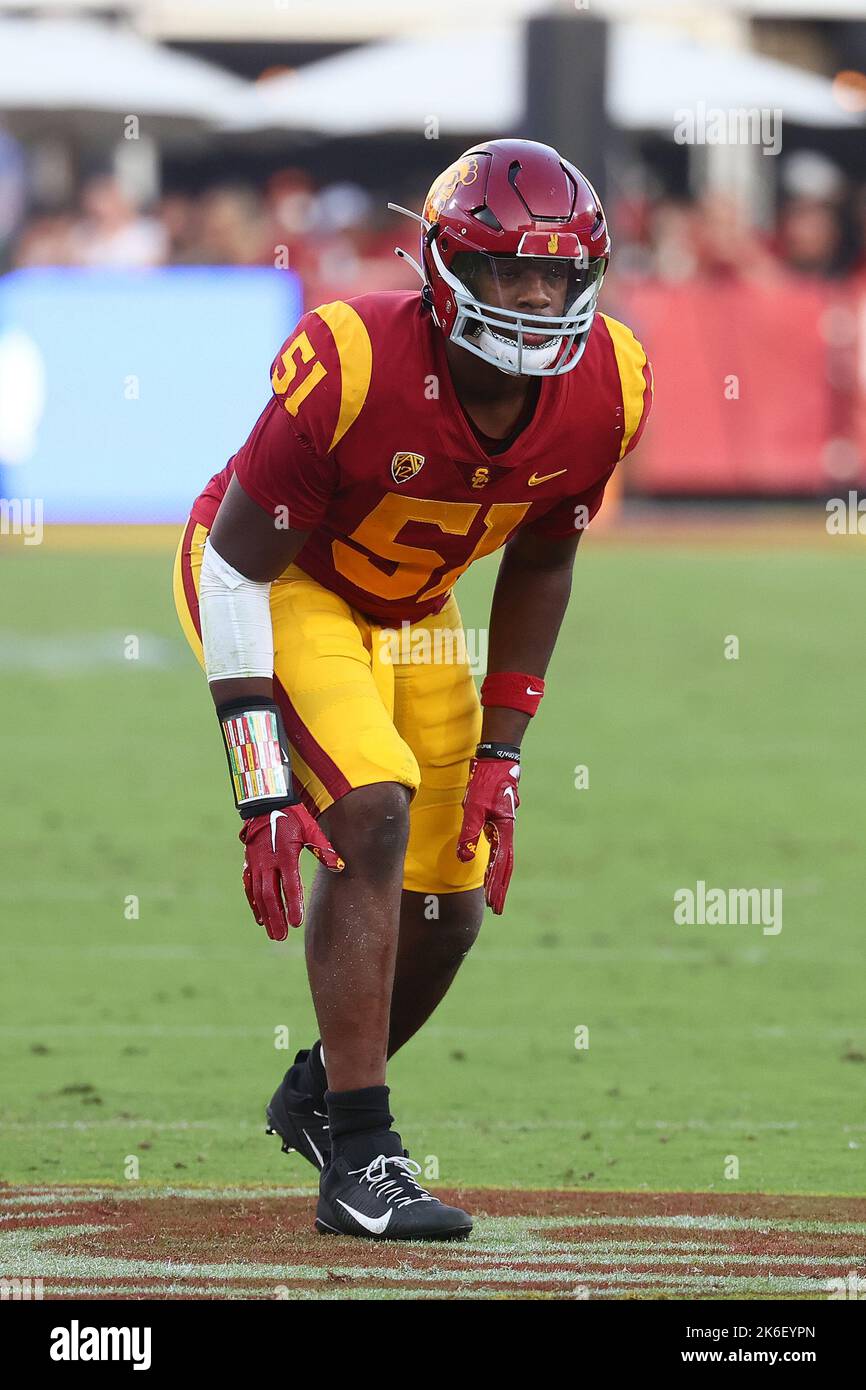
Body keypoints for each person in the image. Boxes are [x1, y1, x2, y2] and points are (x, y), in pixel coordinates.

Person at [173, 138, 653, 1241]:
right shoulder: (351, 359)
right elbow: (239, 562)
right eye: (505, 271)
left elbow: (542, 555)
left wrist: (504, 750)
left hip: (414, 612)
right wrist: (258, 785)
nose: (534, 295)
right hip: (279, 580)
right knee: (372, 804)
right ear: (441, 271)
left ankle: (317, 1094)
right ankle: (360, 1152)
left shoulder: (609, 385)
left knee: (452, 898)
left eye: (556, 273)